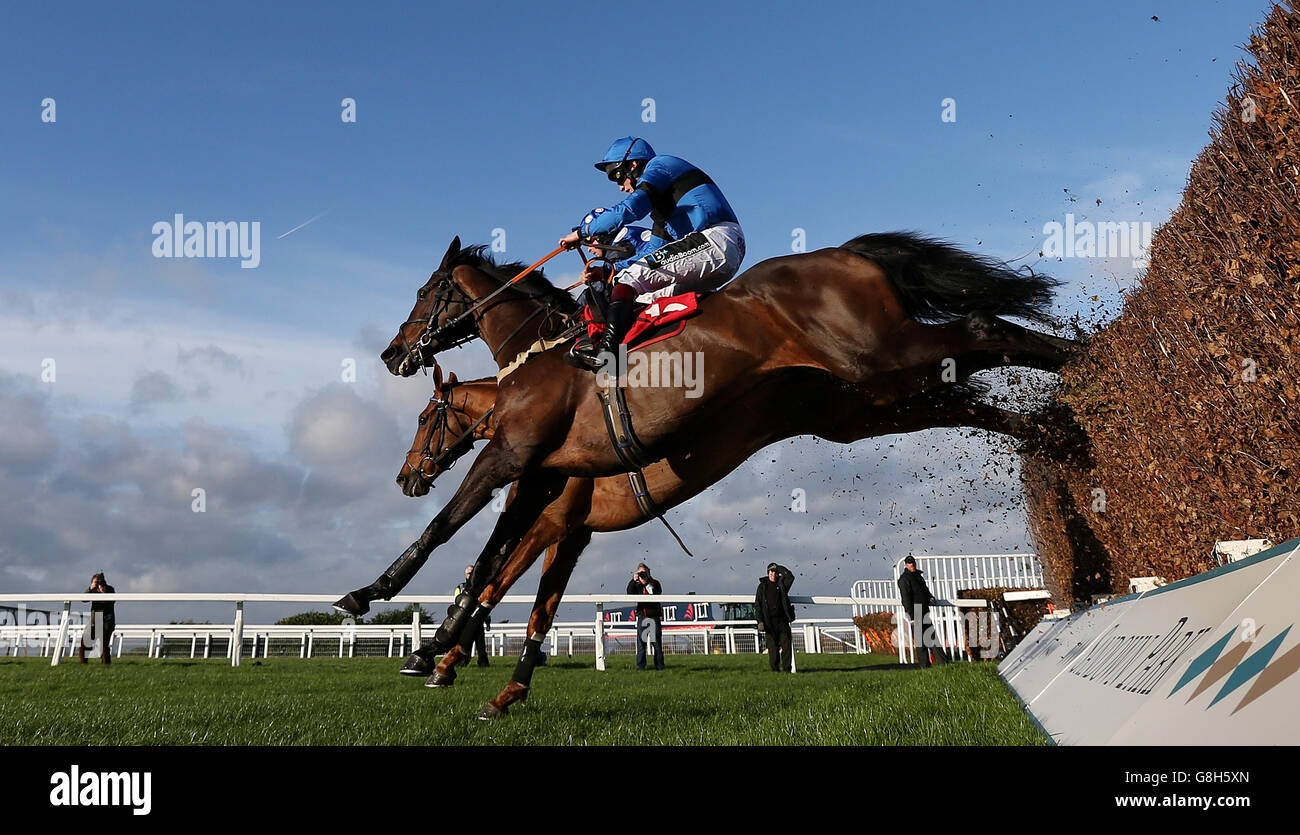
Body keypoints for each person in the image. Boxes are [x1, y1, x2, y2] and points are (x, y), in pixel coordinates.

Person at [560, 137, 745, 370]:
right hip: (718, 248)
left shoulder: (661, 165)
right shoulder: (663, 206)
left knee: (627, 280)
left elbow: (629, 210)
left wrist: (581, 233)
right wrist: (608, 270)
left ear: (633, 164)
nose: (620, 186)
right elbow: (652, 252)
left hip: (716, 240)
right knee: (641, 295)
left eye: (615, 174)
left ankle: (608, 354)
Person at [897, 556, 950, 667]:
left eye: (913, 563)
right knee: (921, 642)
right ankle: (925, 665)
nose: (912, 565)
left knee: (932, 637)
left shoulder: (918, 577)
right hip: (915, 612)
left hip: (924, 610)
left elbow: (925, 591)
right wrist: (911, 617)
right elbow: (906, 599)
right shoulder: (904, 579)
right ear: (906, 565)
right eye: (910, 563)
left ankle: (943, 663)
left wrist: (931, 597)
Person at [754, 563, 796, 672]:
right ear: (768, 573)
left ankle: (787, 670)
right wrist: (760, 621)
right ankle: (775, 670)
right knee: (773, 649)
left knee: (786, 646)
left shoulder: (781, 584)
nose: (773, 574)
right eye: (771, 572)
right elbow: (758, 605)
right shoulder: (762, 586)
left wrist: (778, 567)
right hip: (769, 622)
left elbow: (790, 577)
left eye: (775, 572)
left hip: (782, 621)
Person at [627, 562, 664, 670]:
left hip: (653, 616)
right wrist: (633, 580)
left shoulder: (655, 583)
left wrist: (646, 583)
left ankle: (660, 666)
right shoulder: (636, 585)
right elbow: (629, 593)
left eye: (644, 572)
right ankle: (641, 666)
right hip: (642, 616)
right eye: (641, 573)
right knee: (641, 644)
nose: (643, 575)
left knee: (656, 643)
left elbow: (655, 592)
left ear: (649, 572)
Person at [454, 565, 489, 667]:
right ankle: (462, 662)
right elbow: (456, 603)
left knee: (481, 644)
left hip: (478, 618)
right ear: (466, 575)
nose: (471, 575)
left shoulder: (482, 587)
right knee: (464, 643)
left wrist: (487, 619)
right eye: (469, 573)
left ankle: (483, 663)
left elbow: (485, 604)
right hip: (465, 620)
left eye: (473, 573)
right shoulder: (460, 588)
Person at [78, 572, 115, 665]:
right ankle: (83, 662)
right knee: (86, 640)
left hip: (107, 619)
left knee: (104, 644)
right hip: (95, 619)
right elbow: (83, 599)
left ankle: (106, 664)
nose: (99, 583)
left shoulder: (110, 589)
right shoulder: (92, 590)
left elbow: (113, 601)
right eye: (96, 581)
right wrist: (90, 589)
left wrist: (104, 592)